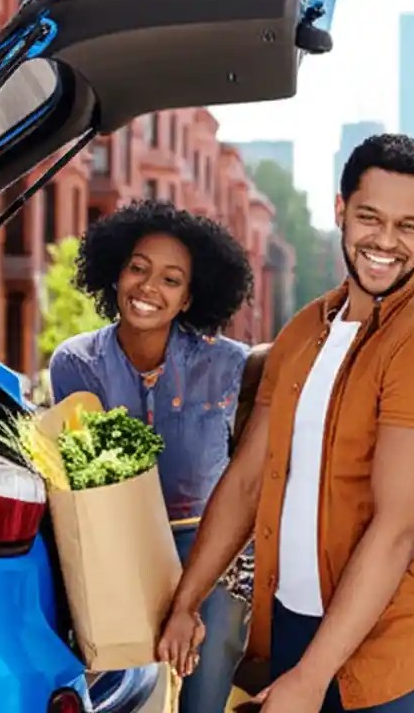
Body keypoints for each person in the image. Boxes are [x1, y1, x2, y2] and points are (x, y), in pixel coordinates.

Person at [157, 133, 414, 713]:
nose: (385, 241)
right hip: (293, 632)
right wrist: (188, 599)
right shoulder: (306, 331)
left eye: (409, 226)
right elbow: (247, 480)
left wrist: (312, 678)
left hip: (396, 658)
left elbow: (399, 528)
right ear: (340, 211)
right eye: (369, 218)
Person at [48, 199, 259, 713]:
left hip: (209, 551)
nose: (148, 288)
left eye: (170, 279)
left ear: (189, 298)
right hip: (115, 547)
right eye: (138, 268)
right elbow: (92, 476)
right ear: (116, 273)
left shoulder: (232, 365)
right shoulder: (75, 363)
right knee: (120, 700)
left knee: (203, 700)